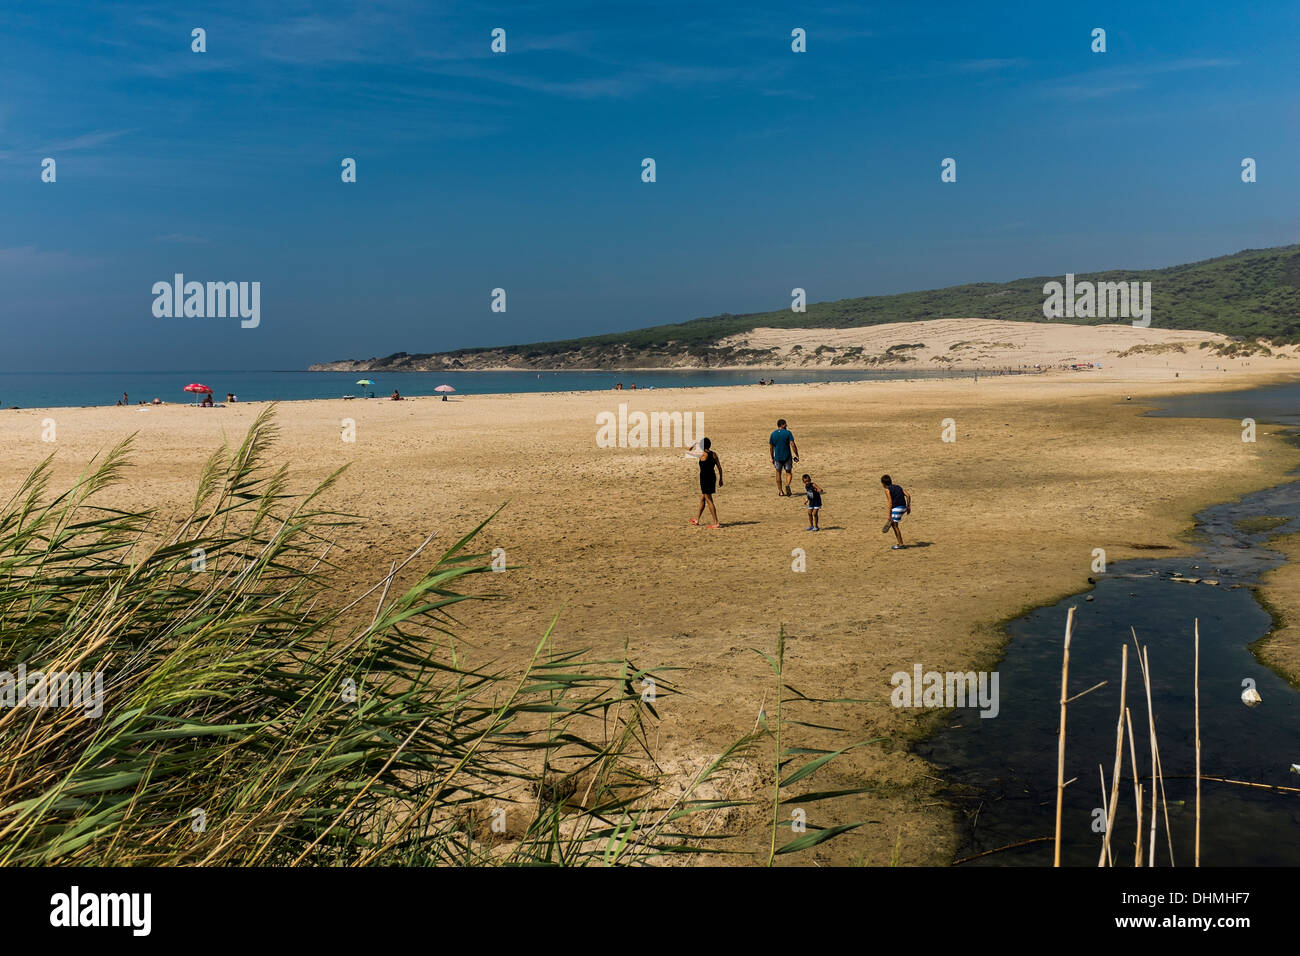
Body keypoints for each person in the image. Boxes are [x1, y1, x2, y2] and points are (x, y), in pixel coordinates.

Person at [690, 437, 723, 529]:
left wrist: (694, 444)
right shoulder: (714, 454)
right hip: (712, 477)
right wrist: (721, 479)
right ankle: (697, 520)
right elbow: (719, 468)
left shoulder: (702, 454)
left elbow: (688, 451)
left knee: (709, 499)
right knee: (702, 498)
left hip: (705, 479)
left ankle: (716, 522)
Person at [769, 418, 799, 496]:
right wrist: (796, 454)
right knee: (788, 472)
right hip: (787, 457)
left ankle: (781, 491)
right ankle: (787, 484)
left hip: (777, 457)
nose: (786, 426)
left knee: (778, 473)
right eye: (785, 424)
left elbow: (771, 448)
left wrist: (772, 457)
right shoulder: (788, 433)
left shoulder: (773, 434)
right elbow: (792, 444)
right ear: (782, 425)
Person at [881, 474, 911, 550]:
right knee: (894, 524)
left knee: (895, 526)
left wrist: (889, 515)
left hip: (897, 509)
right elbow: (908, 495)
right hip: (903, 508)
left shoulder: (887, 490)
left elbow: (890, 502)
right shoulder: (898, 487)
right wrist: (908, 506)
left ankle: (900, 544)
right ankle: (892, 521)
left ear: (883, 483)